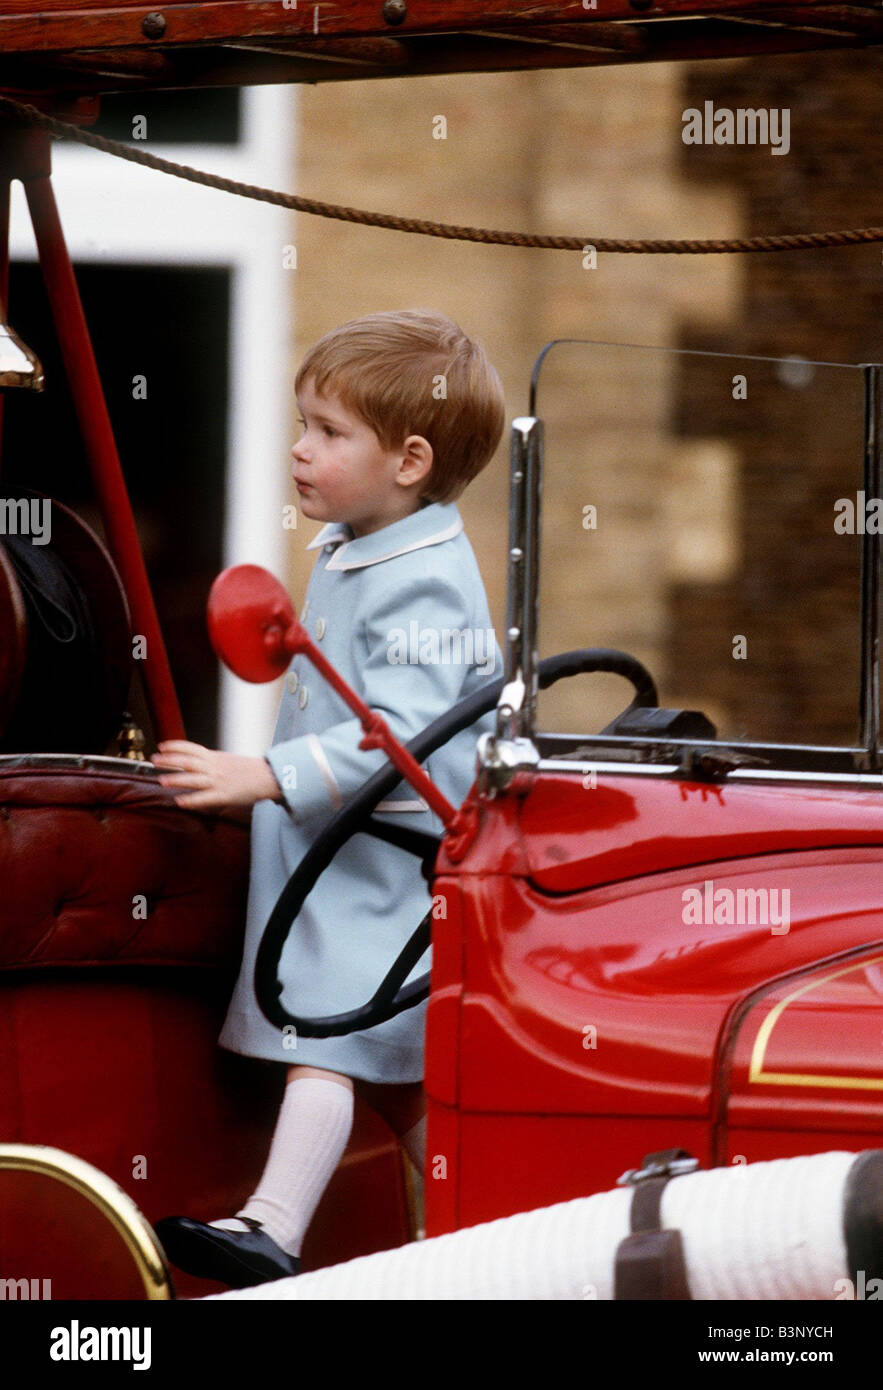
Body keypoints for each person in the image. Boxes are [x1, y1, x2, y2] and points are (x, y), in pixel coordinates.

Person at [152, 309, 505, 1288]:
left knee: (327, 1038)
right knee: (394, 1074)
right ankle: (486, 1229)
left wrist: (268, 778)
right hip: (344, 853)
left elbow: (404, 732)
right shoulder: (362, 545)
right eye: (302, 424)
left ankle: (271, 1229)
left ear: (409, 460)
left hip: (384, 862)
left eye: (328, 431)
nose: (299, 450)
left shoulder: (422, 579)